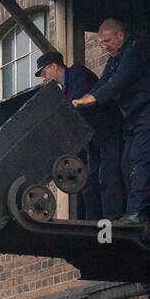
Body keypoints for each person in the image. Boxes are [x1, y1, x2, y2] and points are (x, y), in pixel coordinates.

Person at [72, 18, 150, 226]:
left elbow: (119, 81)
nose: (104, 46)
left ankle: (137, 212)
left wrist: (93, 98)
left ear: (120, 35)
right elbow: (105, 81)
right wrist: (85, 99)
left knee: (140, 159)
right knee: (126, 162)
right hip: (134, 116)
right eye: (101, 43)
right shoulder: (116, 58)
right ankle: (134, 211)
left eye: (107, 41)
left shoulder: (136, 48)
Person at [35, 51, 124, 221]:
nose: (43, 78)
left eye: (44, 72)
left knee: (108, 175)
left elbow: (77, 100)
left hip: (108, 132)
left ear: (54, 66)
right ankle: (94, 222)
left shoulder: (77, 73)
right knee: (89, 183)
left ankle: (112, 220)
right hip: (92, 139)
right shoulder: (66, 89)